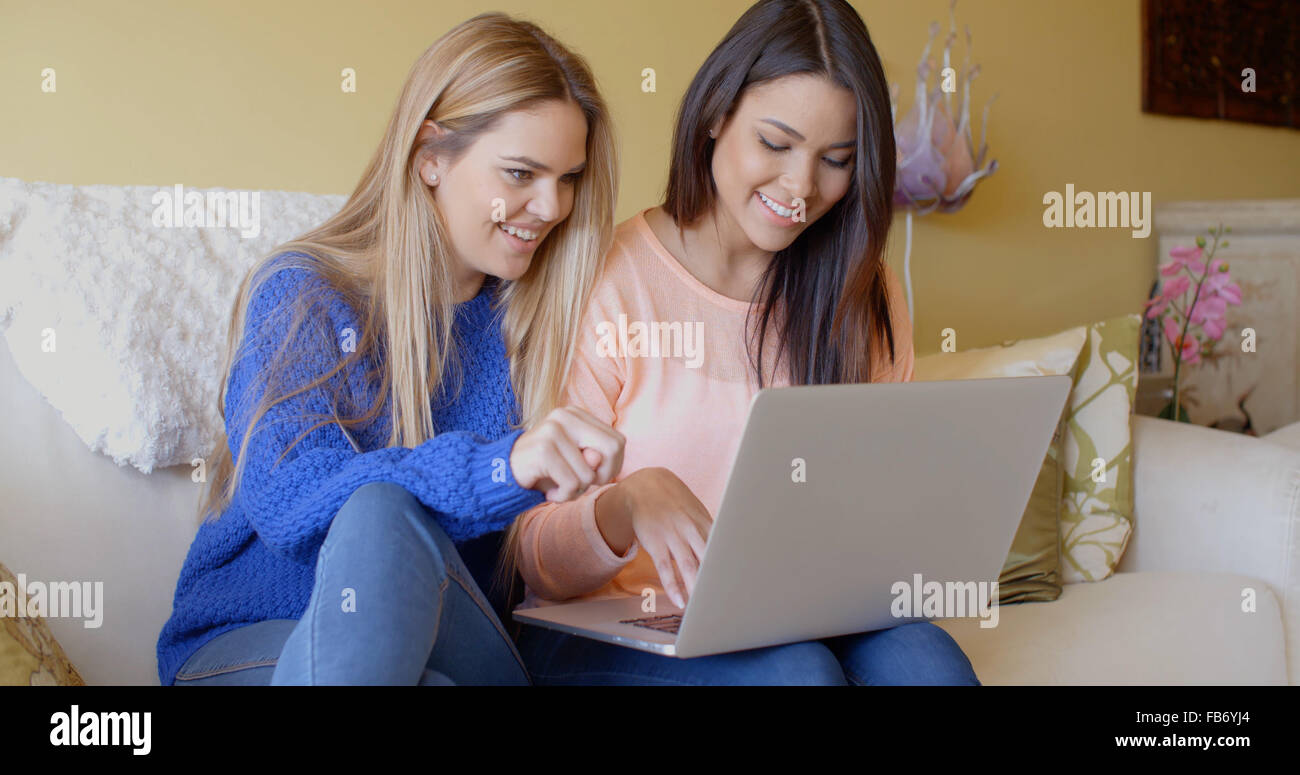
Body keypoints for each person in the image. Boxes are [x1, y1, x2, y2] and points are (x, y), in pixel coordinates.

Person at [504, 0, 980, 686]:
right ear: (715, 115)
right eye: (776, 144)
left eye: (836, 160)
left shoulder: (862, 291)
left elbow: (886, 503)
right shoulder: (607, 279)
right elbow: (533, 552)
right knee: (796, 675)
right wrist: (626, 505)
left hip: (801, 609)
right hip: (616, 620)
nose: (801, 186)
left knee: (931, 667)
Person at [157, 12, 625, 686]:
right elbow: (293, 498)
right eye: (521, 173)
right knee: (380, 511)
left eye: (569, 178)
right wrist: (501, 467)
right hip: (255, 639)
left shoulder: (539, 319)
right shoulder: (303, 294)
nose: (552, 206)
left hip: (455, 640)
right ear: (430, 155)